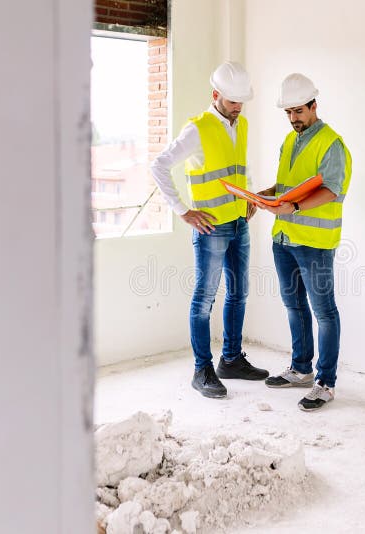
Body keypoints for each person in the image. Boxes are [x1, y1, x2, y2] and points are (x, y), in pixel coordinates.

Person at [150, 61, 268, 399]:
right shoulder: (197, 129)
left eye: (241, 101)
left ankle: (231, 359)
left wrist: (248, 196)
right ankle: (202, 369)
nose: (238, 107)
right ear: (215, 95)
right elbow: (158, 165)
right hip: (211, 228)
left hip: (239, 223)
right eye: (232, 101)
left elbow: (234, 168)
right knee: (204, 299)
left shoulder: (240, 124)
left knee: (239, 293)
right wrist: (183, 211)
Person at [257, 73, 352, 411]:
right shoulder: (290, 140)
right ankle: (300, 368)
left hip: (313, 242)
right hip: (283, 237)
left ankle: (325, 383)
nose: (294, 118)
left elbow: (332, 189)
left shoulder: (331, 143)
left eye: (299, 111)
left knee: (324, 312)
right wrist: (264, 196)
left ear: (314, 105)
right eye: (289, 113)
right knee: (294, 305)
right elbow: (287, 184)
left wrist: (294, 207)